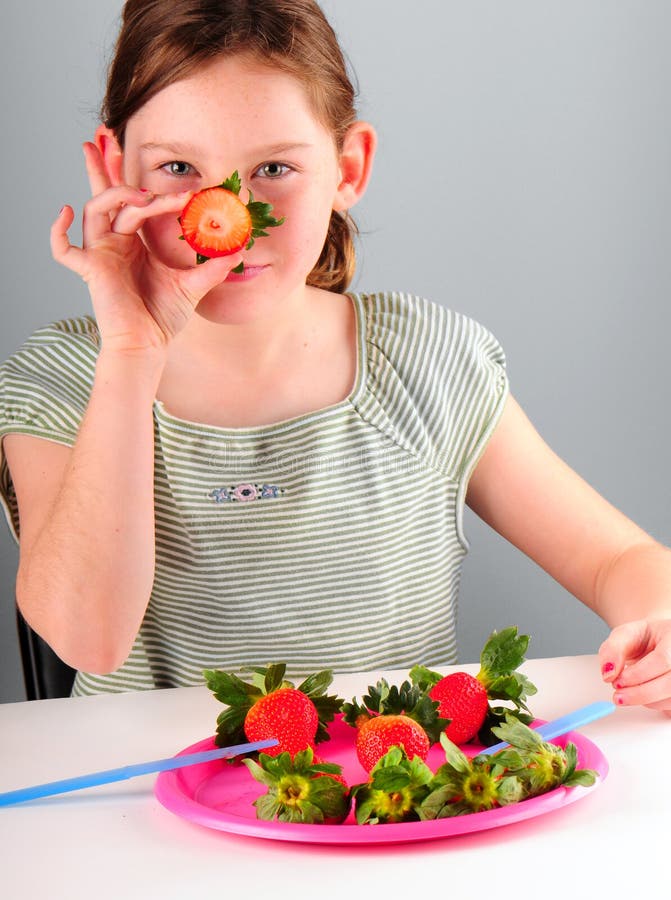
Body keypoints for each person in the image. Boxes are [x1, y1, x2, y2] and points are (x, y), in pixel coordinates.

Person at [1, 0, 670, 710]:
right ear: (115, 168)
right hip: (146, 782)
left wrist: (659, 617)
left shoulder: (430, 362)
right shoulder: (59, 380)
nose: (229, 222)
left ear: (348, 168)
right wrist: (132, 354)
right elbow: (88, 640)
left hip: (388, 777)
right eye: (177, 166)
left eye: (274, 168)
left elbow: (616, 558)